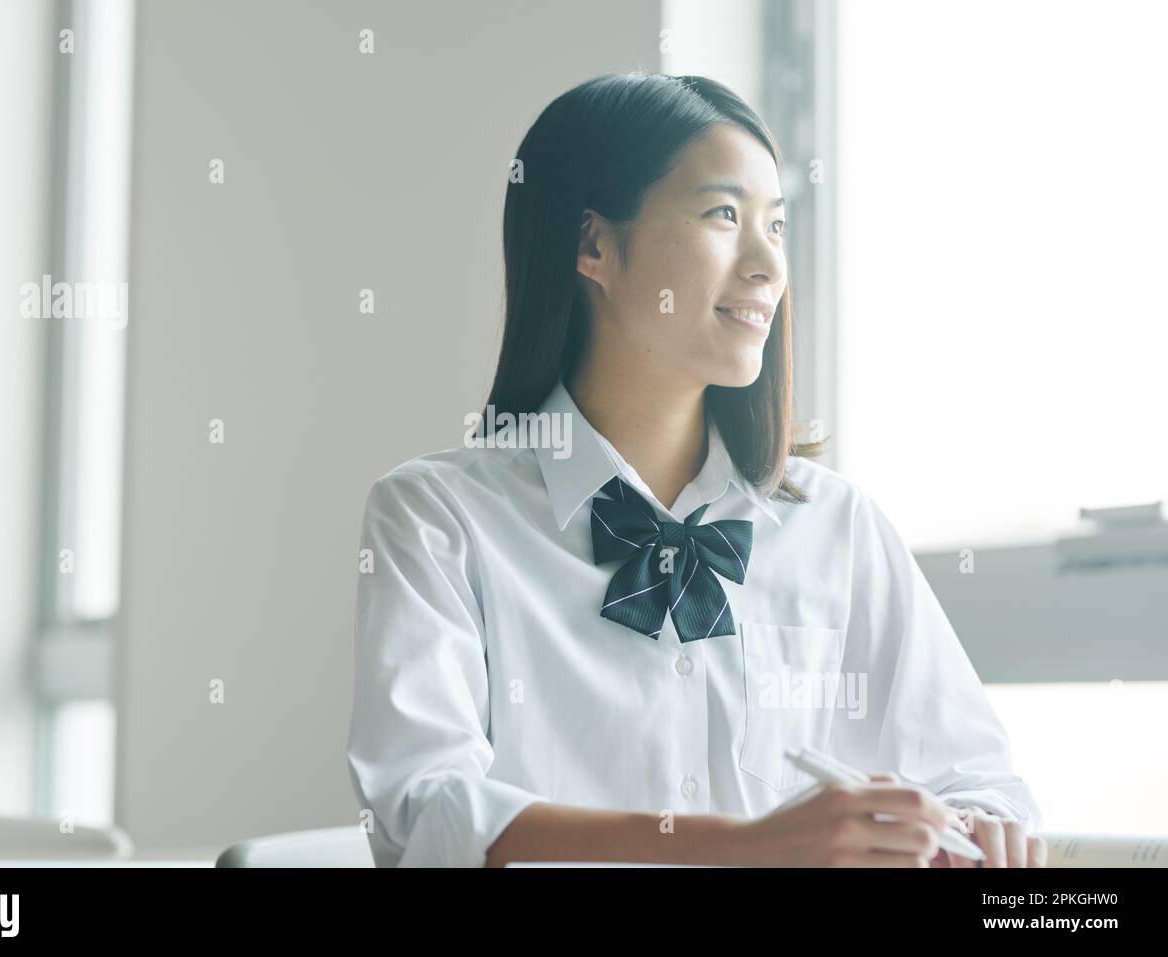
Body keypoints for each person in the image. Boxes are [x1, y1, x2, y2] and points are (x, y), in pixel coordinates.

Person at [346, 72, 1045, 868]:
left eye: (776, 226)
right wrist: (750, 847)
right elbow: (425, 813)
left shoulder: (838, 525)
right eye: (724, 214)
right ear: (593, 246)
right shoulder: (436, 518)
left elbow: (977, 777)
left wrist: (978, 825)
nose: (766, 266)